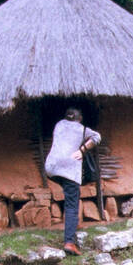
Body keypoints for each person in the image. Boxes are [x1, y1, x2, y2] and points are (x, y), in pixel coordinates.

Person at [44, 106, 102, 255]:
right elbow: (97, 137)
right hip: (69, 169)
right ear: (80, 118)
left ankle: (72, 223)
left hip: (51, 169)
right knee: (72, 205)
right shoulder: (82, 129)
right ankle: (69, 242)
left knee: (69, 194)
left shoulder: (59, 125)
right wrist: (82, 150)